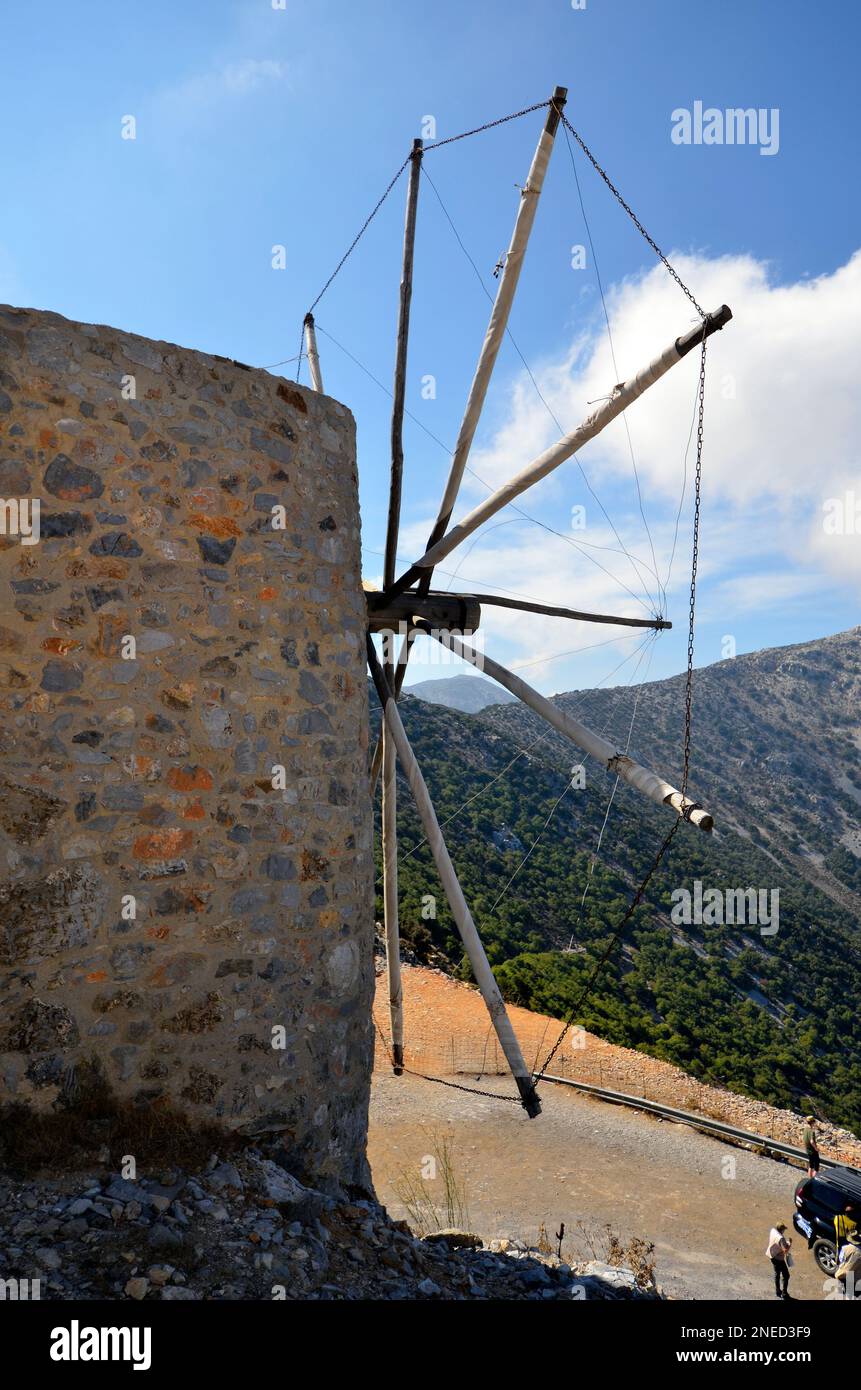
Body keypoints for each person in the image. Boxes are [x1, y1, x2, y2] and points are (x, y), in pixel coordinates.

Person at [766, 1222, 792, 1299]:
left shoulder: (773, 1231)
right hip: (778, 1259)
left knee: (777, 1273)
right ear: (782, 1230)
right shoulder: (781, 1239)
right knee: (786, 1275)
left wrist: (785, 1243)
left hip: (771, 1254)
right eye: (784, 1229)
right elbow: (785, 1251)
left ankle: (777, 1291)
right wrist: (790, 1243)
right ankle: (784, 1293)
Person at [835, 1230, 861, 1299]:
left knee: (847, 1291)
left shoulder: (845, 1248)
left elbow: (841, 1259)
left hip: (845, 1274)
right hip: (858, 1276)